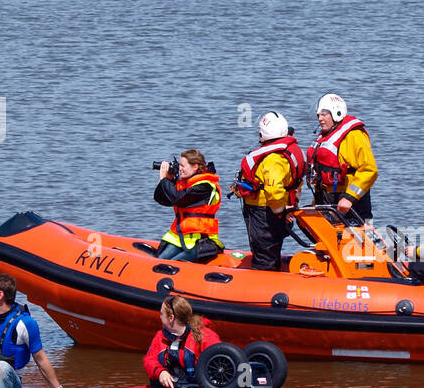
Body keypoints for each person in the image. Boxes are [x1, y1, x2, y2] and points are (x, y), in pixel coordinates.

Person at [105, 296, 220, 388]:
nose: (159, 317)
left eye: (161, 314)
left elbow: (220, 362)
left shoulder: (205, 337)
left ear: (171, 318)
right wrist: (160, 372)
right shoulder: (160, 336)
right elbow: (149, 360)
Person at [231, 111, 306, 271]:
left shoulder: (273, 158)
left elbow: (273, 189)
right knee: (271, 249)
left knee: (264, 254)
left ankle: (264, 284)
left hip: (265, 212)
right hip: (280, 209)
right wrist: (288, 208)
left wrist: (279, 211)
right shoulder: (291, 151)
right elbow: (296, 184)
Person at [307, 92, 377, 220]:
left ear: (336, 113)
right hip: (328, 203)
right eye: (318, 115)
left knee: (354, 239)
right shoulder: (325, 137)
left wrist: (349, 198)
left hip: (352, 204)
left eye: (323, 114)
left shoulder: (353, 136)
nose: (320, 119)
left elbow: (369, 170)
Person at [155, 149, 223, 262]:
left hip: (200, 241)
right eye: (179, 165)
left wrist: (164, 181)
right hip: (181, 237)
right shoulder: (185, 184)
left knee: (173, 264)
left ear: (195, 167)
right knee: (159, 261)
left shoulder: (205, 187)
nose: (179, 169)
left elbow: (179, 199)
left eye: (183, 166)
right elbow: (162, 199)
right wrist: (169, 180)